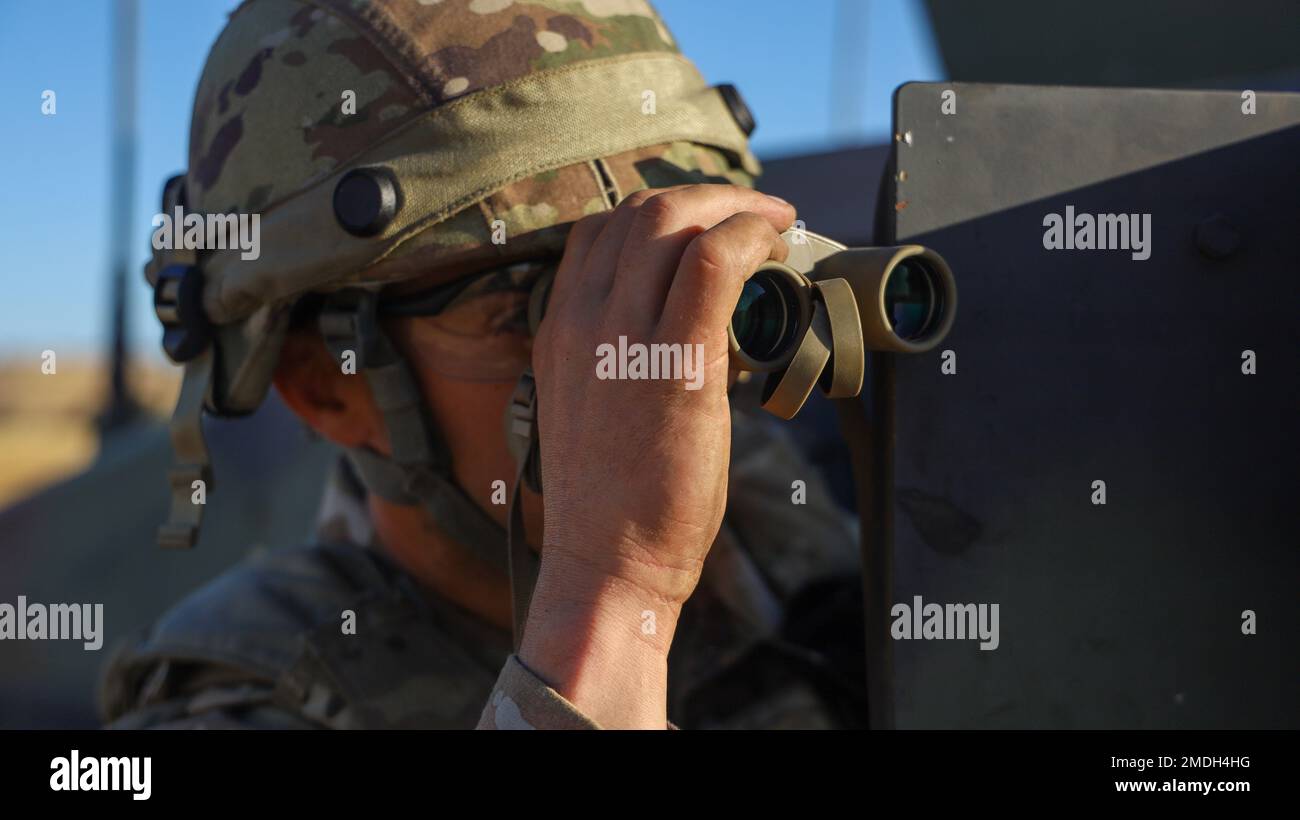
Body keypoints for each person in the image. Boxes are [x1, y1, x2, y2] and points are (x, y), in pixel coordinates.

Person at [100, 0, 867, 729]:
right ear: (328, 388)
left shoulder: (775, 518)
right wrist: (613, 592)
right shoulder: (244, 699)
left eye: (665, 284)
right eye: (526, 310)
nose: (660, 359)